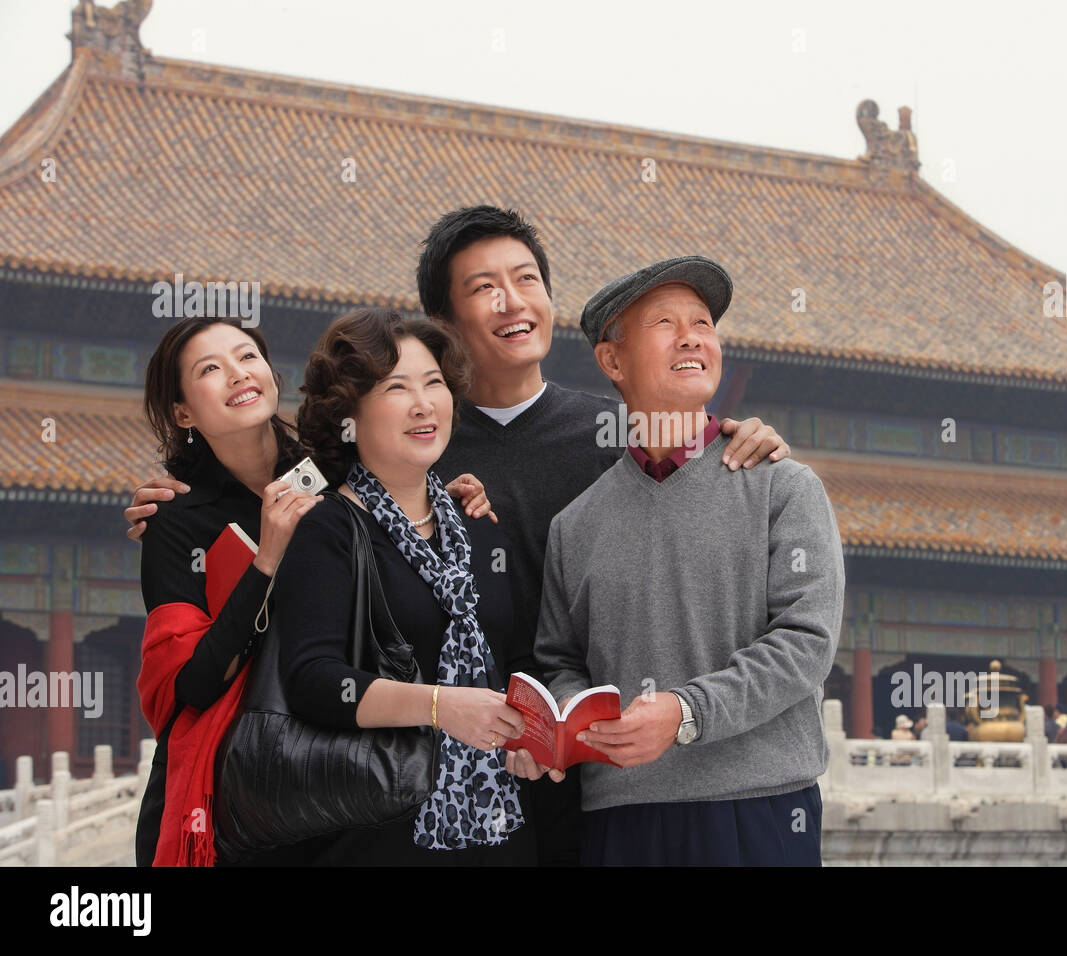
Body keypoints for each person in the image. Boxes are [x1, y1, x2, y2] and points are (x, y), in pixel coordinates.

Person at [124, 205, 791, 865]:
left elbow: (682, 483)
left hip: (562, 776)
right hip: (381, 795)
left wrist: (739, 440)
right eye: (483, 288)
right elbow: (298, 524)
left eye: (526, 279)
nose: (512, 302)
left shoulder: (602, 443)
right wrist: (194, 508)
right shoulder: (376, 469)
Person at [532, 257, 844, 865]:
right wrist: (579, 722)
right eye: (664, 322)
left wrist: (686, 712)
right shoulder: (575, 526)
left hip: (758, 808)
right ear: (613, 361)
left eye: (703, 322)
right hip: (622, 818)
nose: (693, 336)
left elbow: (807, 641)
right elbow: (559, 660)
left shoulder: (782, 486)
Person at [265, 308, 549, 864]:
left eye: (435, 384)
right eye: (397, 387)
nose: (424, 404)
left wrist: (534, 738)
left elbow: (516, 659)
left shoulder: (477, 526)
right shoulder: (328, 527)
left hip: (500, 825)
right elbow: (313, 682)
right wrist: (440, 706)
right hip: (378, 829)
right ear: (349, 413)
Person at [135, 317, 324, 866]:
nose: (238, 374)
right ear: (183, 413)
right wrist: (265, 559)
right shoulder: (173, 520)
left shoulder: (336, 477)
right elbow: (193, 685)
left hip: (335, 775)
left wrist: (451, 494)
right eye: (210, 369)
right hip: (230, 791)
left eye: (248, 357)